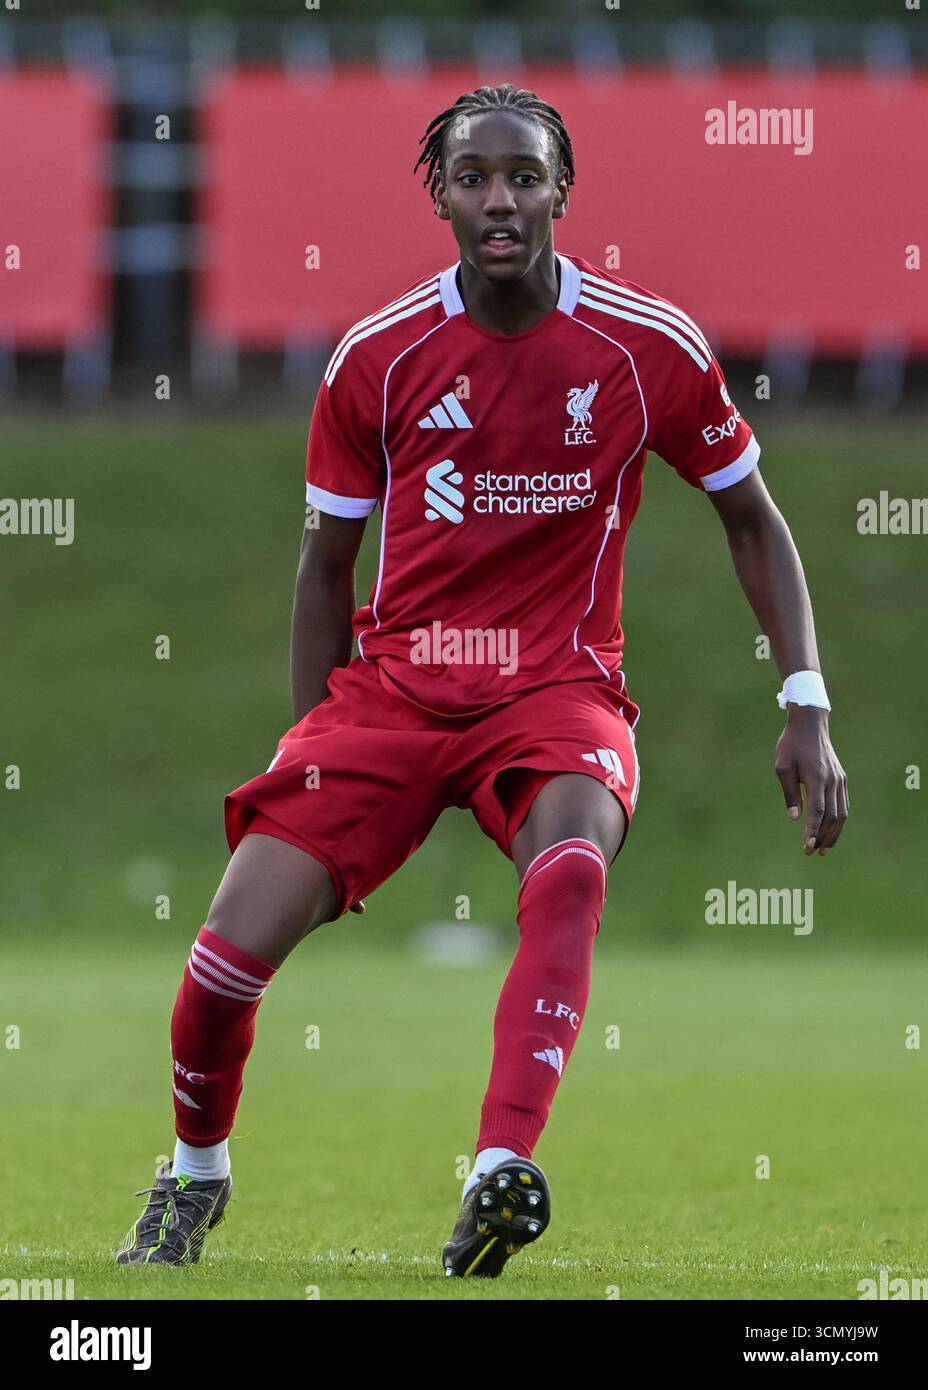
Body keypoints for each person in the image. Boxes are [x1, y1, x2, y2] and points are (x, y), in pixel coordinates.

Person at [116, 83, 847, 1278]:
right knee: (221, 966)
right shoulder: (379, 357)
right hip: (395, 693)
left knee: (568, 869)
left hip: (558, 690)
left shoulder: (644, 346)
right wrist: (315, 744)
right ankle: (196, 1172)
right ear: (440, 195)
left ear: (562, 189)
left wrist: (804, 700)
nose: (499, 198)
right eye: (474, 177)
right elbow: (324, 564)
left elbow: (752, 521)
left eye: (522, 176)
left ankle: (503, 1161)